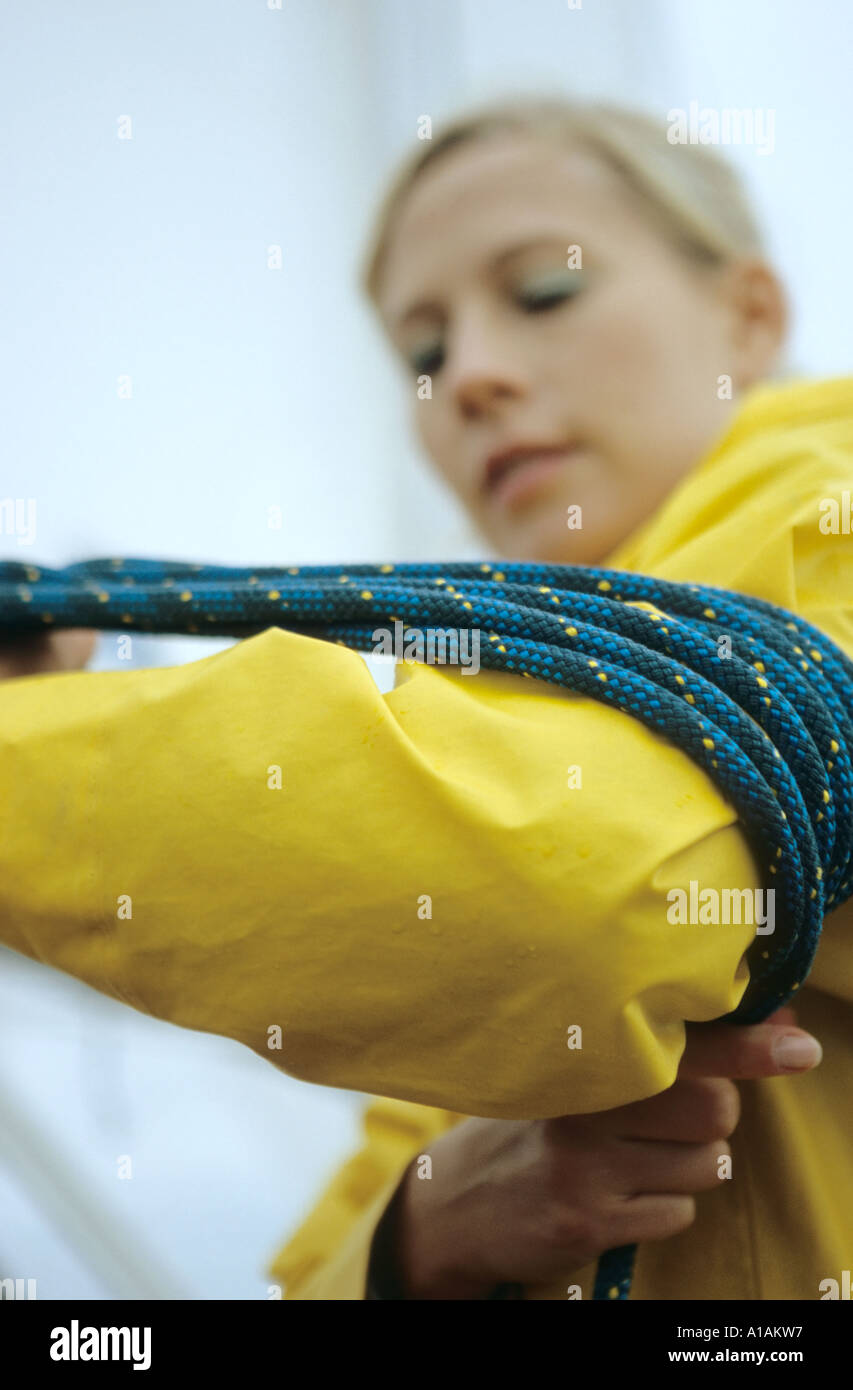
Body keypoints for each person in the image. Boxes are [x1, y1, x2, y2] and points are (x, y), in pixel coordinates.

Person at [0, 98, 849, 1301]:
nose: (474, 378)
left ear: (747, 313)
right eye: (423, 351)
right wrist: (426, 1229)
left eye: (544, 291)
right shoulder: (500, 718)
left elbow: (578, 889)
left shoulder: (831, 510)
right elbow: (319, 1267)